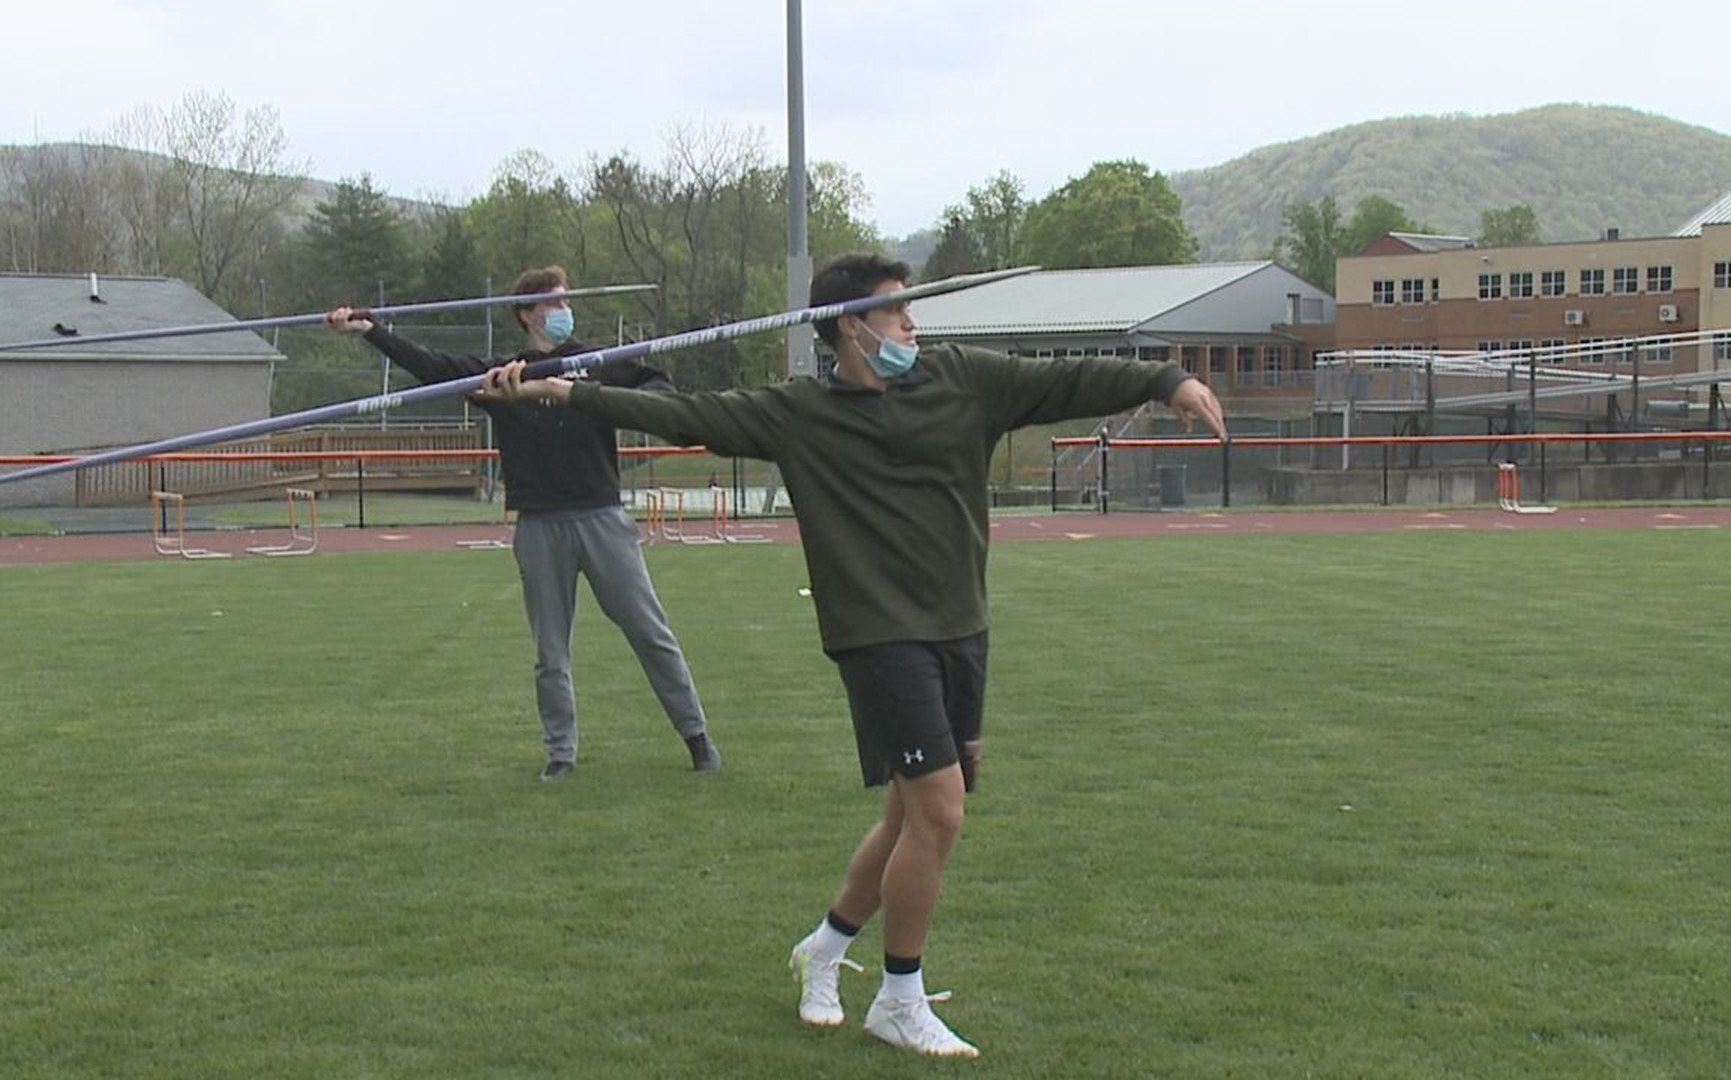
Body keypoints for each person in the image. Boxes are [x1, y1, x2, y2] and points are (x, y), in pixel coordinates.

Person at [480, 253, 1225, 1058]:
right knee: (940, 811)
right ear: (850, 327)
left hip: (960, 626)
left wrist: (1166, 380)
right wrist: (562, 389)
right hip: (876, 635)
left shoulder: (964, 379)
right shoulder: (798, 412)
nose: (911, 325)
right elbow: (689, 412)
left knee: (908, 815)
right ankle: (899, 997)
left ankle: (827, 948)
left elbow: (1074, 376)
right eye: (895, 312)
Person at [324, 267, 721, 781]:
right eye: (554, 303)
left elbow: (658, 386)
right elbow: (433, 366)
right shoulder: (500, 374)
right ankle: (561, 754)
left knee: (650, 632)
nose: (564, 310)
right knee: (550, 652)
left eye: (566, 301)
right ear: (527, 313)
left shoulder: (595, 363)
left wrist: (614, 401)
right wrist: (371, 330)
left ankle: (697, 738)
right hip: (539, 526)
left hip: (602, 518)